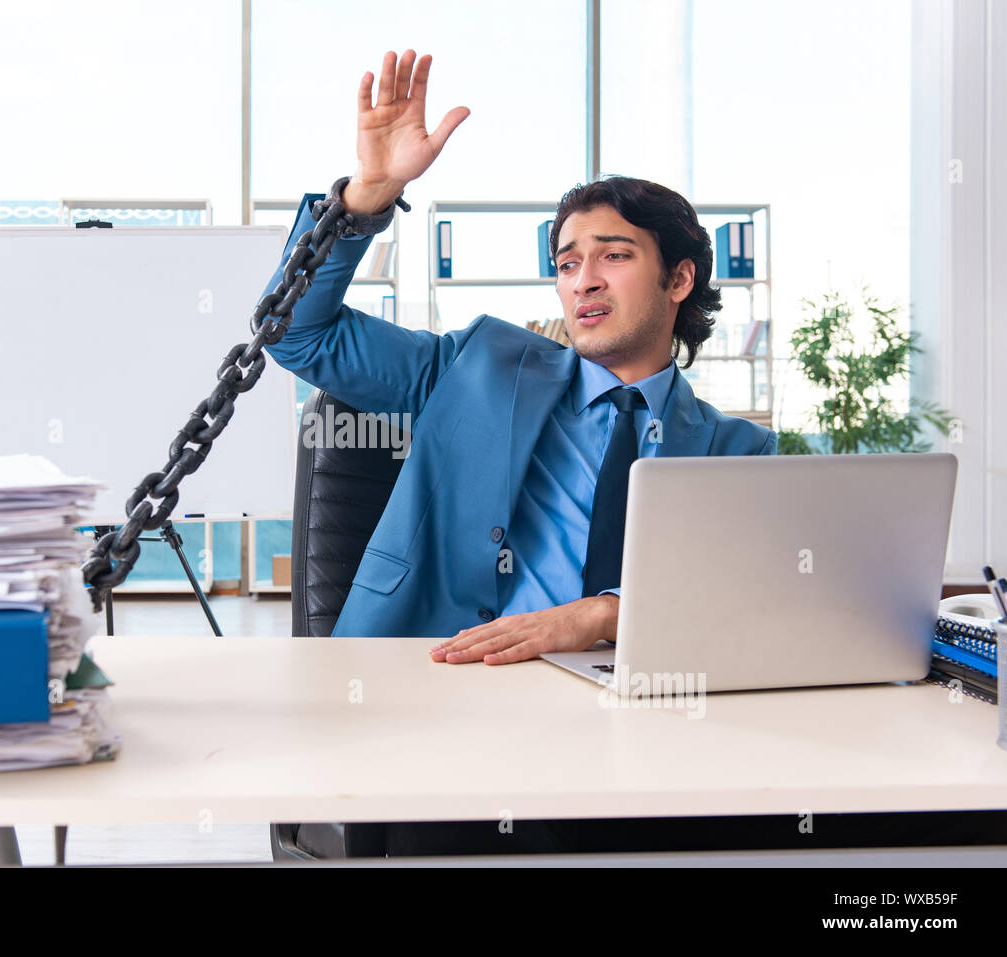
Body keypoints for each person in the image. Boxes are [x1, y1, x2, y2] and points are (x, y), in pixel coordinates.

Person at [260, 49, 1007, 858]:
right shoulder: (475, 363)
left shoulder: (739, 452)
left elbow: (764, 606)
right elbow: (295, 332)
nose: (583, 279)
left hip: (648, 727)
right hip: (448, 698)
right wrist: (366, 198)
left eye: (613, 255)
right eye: (567, 262)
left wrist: (607, 613)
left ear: (678, 278)